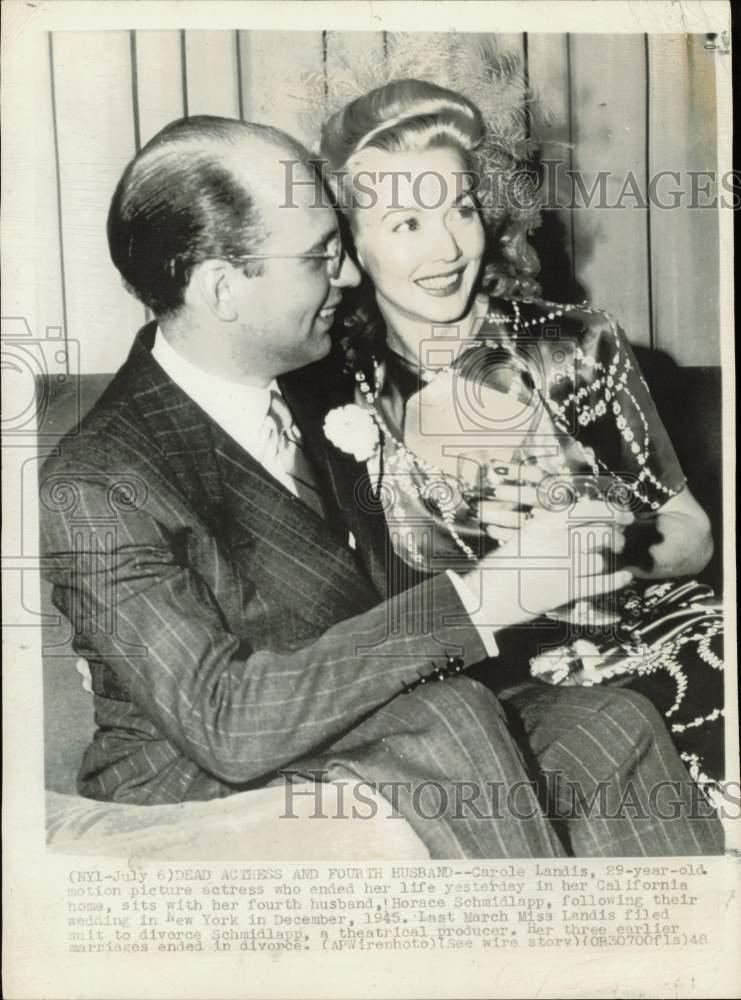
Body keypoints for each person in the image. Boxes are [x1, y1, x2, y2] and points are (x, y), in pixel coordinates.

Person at [40, 114, 722, 858]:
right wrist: (488, 594)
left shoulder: (318, 387)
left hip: (359, 709)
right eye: (320, 256)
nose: (350, 277)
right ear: (222, 288)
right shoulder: (99, 477)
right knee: (448, 720)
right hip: (200, 771)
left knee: (609, 727)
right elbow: (224, 722)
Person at [315, 77, 724, 786]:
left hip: (645, 644)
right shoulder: (325, 385)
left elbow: (691, 535)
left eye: (460, 210)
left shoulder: (572, 346)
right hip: (471, 691)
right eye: (406, 224)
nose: (445, 249)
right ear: (349, 244)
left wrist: (606, 547)